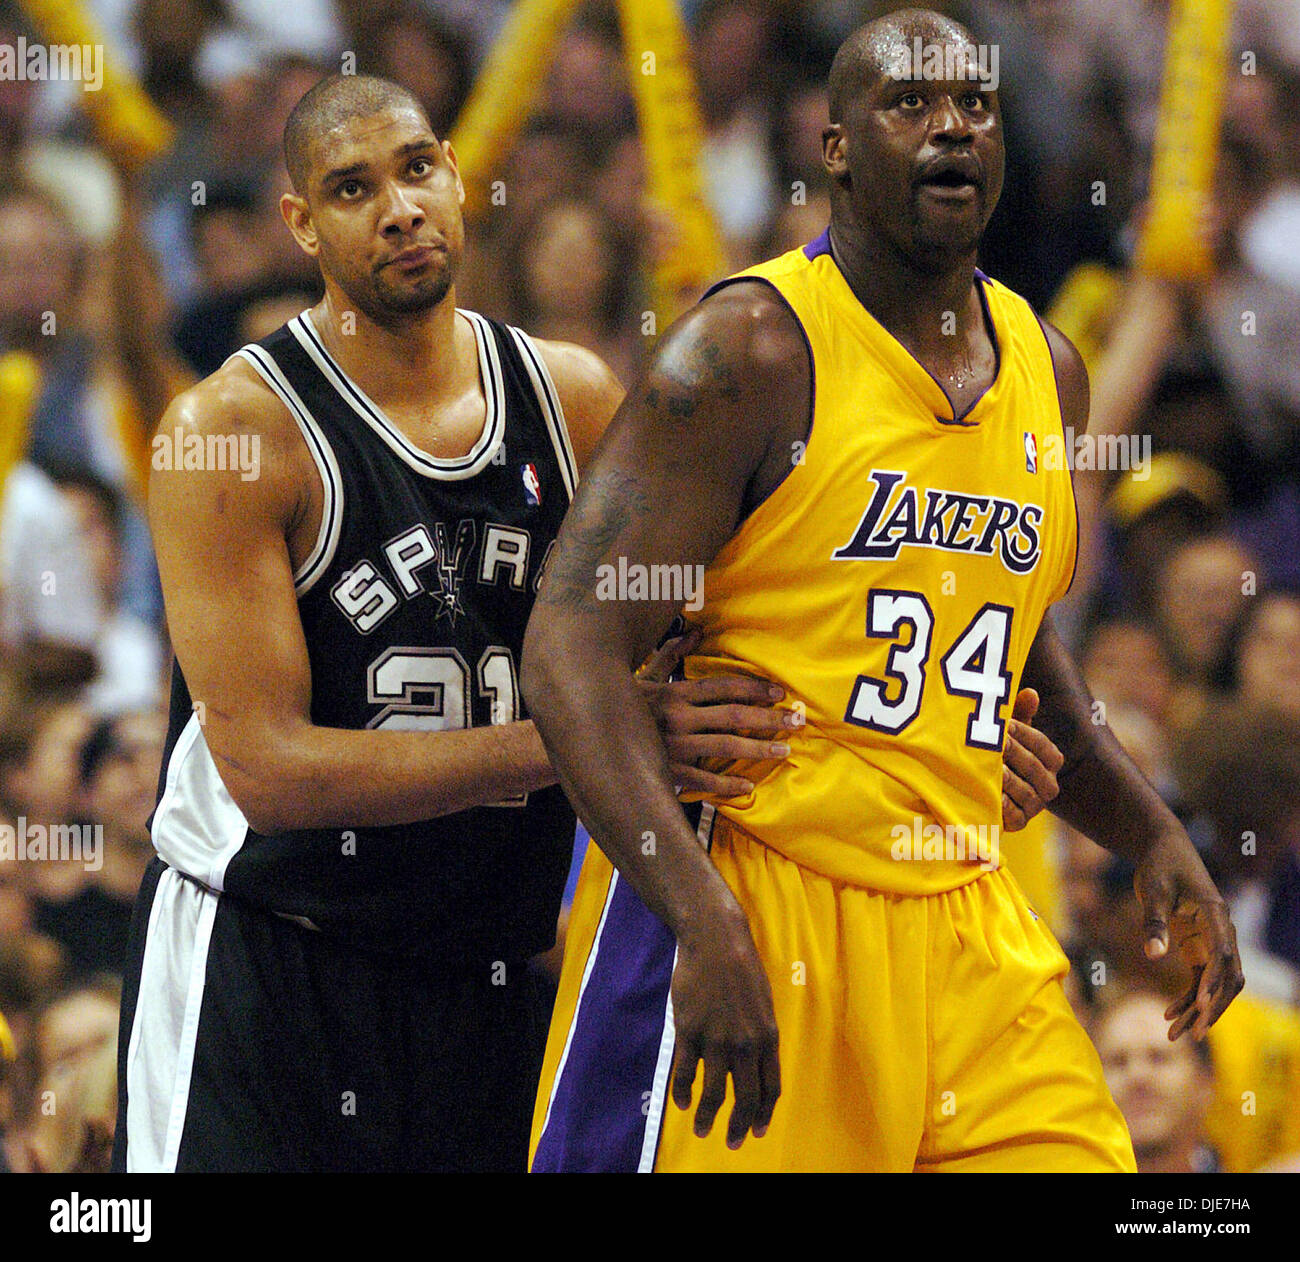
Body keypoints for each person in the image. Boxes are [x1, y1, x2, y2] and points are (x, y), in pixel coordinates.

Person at [521, 10, 1244, 1172]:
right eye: (910, 104)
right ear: (837, 145)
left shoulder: (1047, 366)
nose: (951, 125)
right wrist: (697, 913)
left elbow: (1013, 643)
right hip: (760, 897)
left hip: (968, 917)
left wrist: (1148, 825)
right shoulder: (749, 348)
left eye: (975, 103)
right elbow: (565, 641)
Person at [109, 72, 829, 1174]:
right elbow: (270, 769)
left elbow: (710, 647)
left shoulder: (572, 397)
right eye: (351, 189)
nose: (398, 208)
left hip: (485, 969)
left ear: (453, 172)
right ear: (300, 223)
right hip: (264, 957)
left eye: (414, 169)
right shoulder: (233, 432)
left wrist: (935, 733)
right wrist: (584, 738)